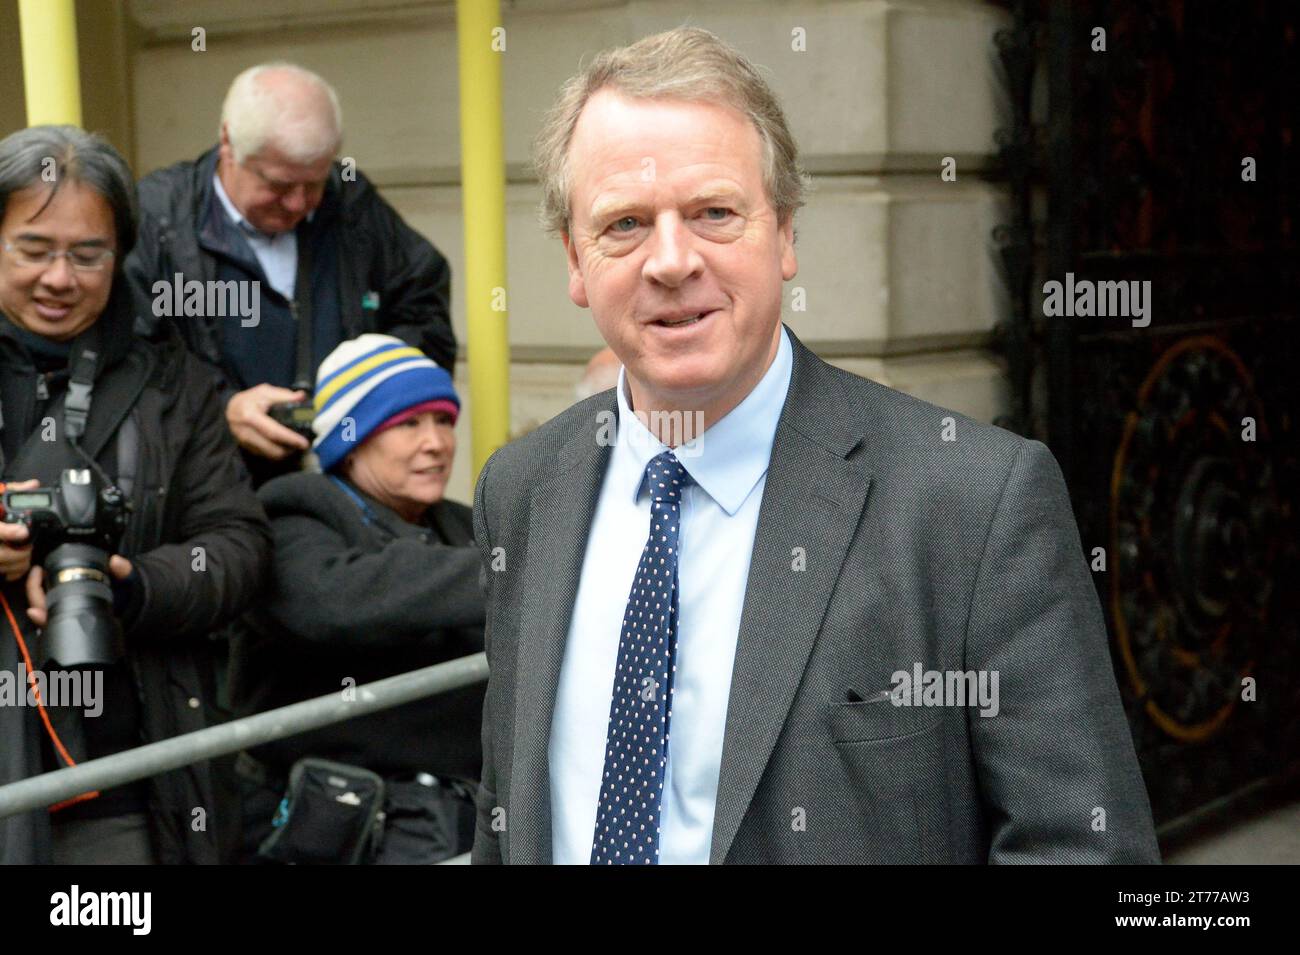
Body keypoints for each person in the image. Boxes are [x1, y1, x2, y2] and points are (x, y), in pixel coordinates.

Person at [470, 27, 1161, 864]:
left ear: (786, 234)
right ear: (576, 260)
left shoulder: (974, 502)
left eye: (714, 212)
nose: (671, 260)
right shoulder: (522, 489)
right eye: (623, 224)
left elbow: (1085, 848)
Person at [0, 125, 271, 864]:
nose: (60, 277)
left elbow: (239, 546)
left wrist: (135, 587)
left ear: (120, 254)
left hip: (122, 783)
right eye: (32, 248)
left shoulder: (168, 380)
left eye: (87, 254)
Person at [123, 62, 457, 486]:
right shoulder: (155, 221)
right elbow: (130, 362)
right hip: (208, 489)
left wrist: (373, 398)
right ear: (228, 142)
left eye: (314, 183)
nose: (300, 203)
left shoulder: (349, 201)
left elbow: (422, 300)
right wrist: (219, 410)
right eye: (279, 186)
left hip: (339, 490)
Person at [229, 334, 484, 863]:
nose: (436, 443)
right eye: (407, 424)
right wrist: (518, 569)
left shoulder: (461, 524)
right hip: (336, 825)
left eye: (443, 421)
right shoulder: (293, 514)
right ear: (350, 439)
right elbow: (337, 601)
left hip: (460, 817)